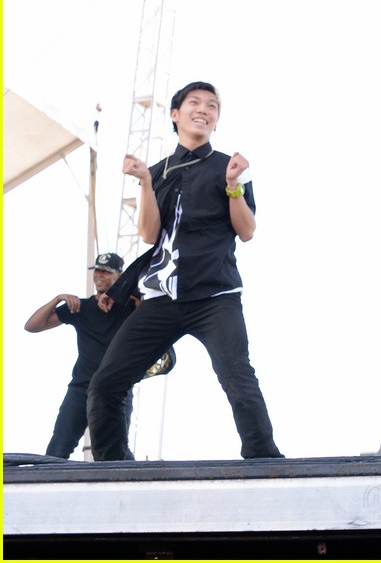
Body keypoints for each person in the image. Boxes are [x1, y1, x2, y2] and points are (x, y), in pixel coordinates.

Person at [86, 81, 283, 461]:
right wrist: (145, 182)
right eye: (194, 102)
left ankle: (264, 461)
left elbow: (247, 231)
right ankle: (112, 467)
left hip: (215, 296)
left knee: (238, 379)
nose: (204, 109)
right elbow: (149, 234)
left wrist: (232, 186)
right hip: (163, 298)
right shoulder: (158, 171)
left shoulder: (231, 167)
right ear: (175, 115)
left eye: (212, 105)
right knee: (106, 384)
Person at [24, 253, 136, 459]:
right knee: (57, 450)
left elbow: (148, 297)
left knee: (114, 454)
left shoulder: (130, 306)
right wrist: (57, 299)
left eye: (106, 271)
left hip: (115, 389)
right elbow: (32, 326)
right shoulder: (80, 308)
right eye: (97, 270)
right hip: (81, 388)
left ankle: (136, 488)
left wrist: (120, 293)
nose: (99, 275)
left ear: (119, 276)